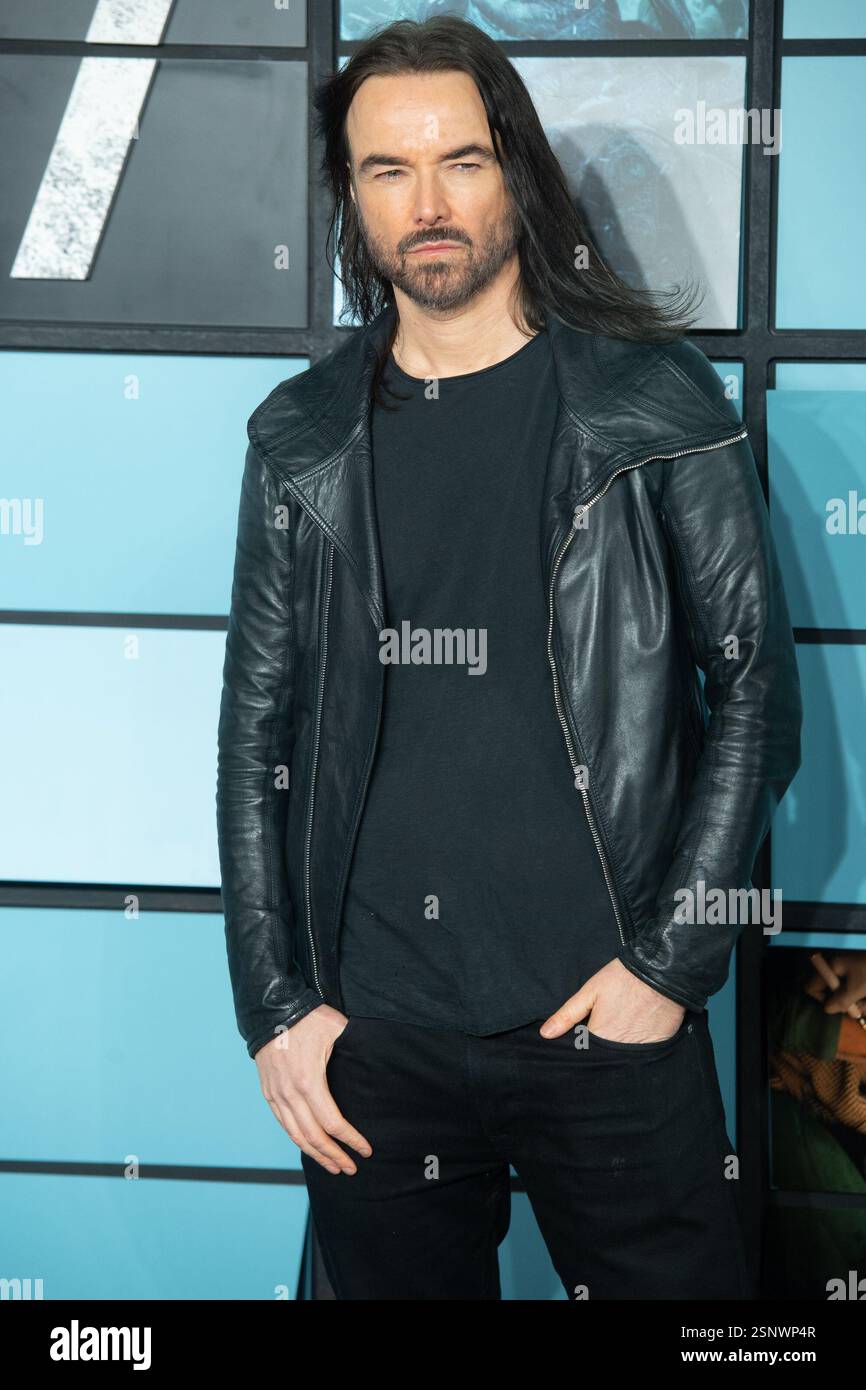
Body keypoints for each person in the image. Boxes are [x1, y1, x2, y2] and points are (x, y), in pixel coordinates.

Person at [216, 16, 802, 1300]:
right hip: (372, 1041)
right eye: (388, 169)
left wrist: (664, 969)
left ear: (513, 171)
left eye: (460, 162)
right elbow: (254, 733)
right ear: (350, 195)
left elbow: (755, 688)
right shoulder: (298, 437)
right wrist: (274, 1006)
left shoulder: (651, 403)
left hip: (607, 1020)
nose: (426, 204)